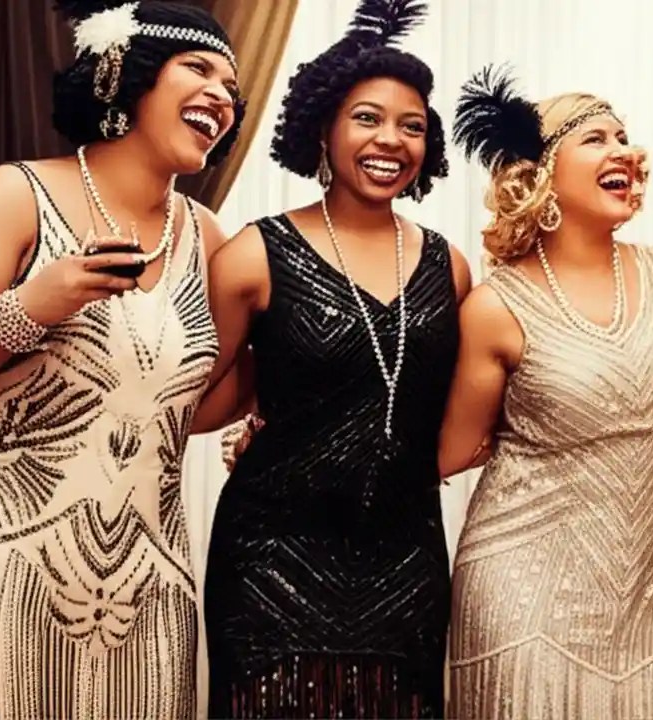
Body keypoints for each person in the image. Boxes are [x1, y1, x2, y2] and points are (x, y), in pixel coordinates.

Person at [0, 0, 242, 717]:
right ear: (124, 76)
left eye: (232, 88)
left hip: (144, 593)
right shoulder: (17, 195)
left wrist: (273, 401)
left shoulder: (210, 238)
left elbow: (181, 409)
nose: (222, 97)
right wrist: (32, 306)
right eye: (199, 69)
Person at [196, 1, 468, 717]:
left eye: (412, 126)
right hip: (272, 556)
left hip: (406, 557)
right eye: (367, 118)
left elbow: (455, 411)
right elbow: (192, 398)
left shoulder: (451, 266)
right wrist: (262, 409)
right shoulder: (255, 253)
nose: (391, 140)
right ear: (323, 129)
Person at [439, 65, 653, 719]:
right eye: (596, 139)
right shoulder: (495, 305)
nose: (625, 150)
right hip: (522, 598)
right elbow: (451, 451)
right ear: (540, 173)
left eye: (625, 138)